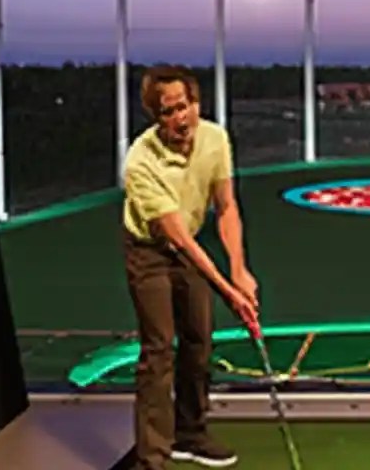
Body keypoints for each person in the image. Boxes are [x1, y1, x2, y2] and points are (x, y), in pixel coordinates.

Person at [122, 65, 260, 470]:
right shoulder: (140, 162)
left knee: (199, 338)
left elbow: (227, 207)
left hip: (190, 243)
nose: (178, 119)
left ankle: (190, 433)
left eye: (183, 107)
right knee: (159, 348)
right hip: (149, 251)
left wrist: (239, 269)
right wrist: (230, 294)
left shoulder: (215, 138)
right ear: (154, 116)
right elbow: (177, 238)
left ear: (195, 103)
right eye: (167, 113)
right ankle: (152, 459)